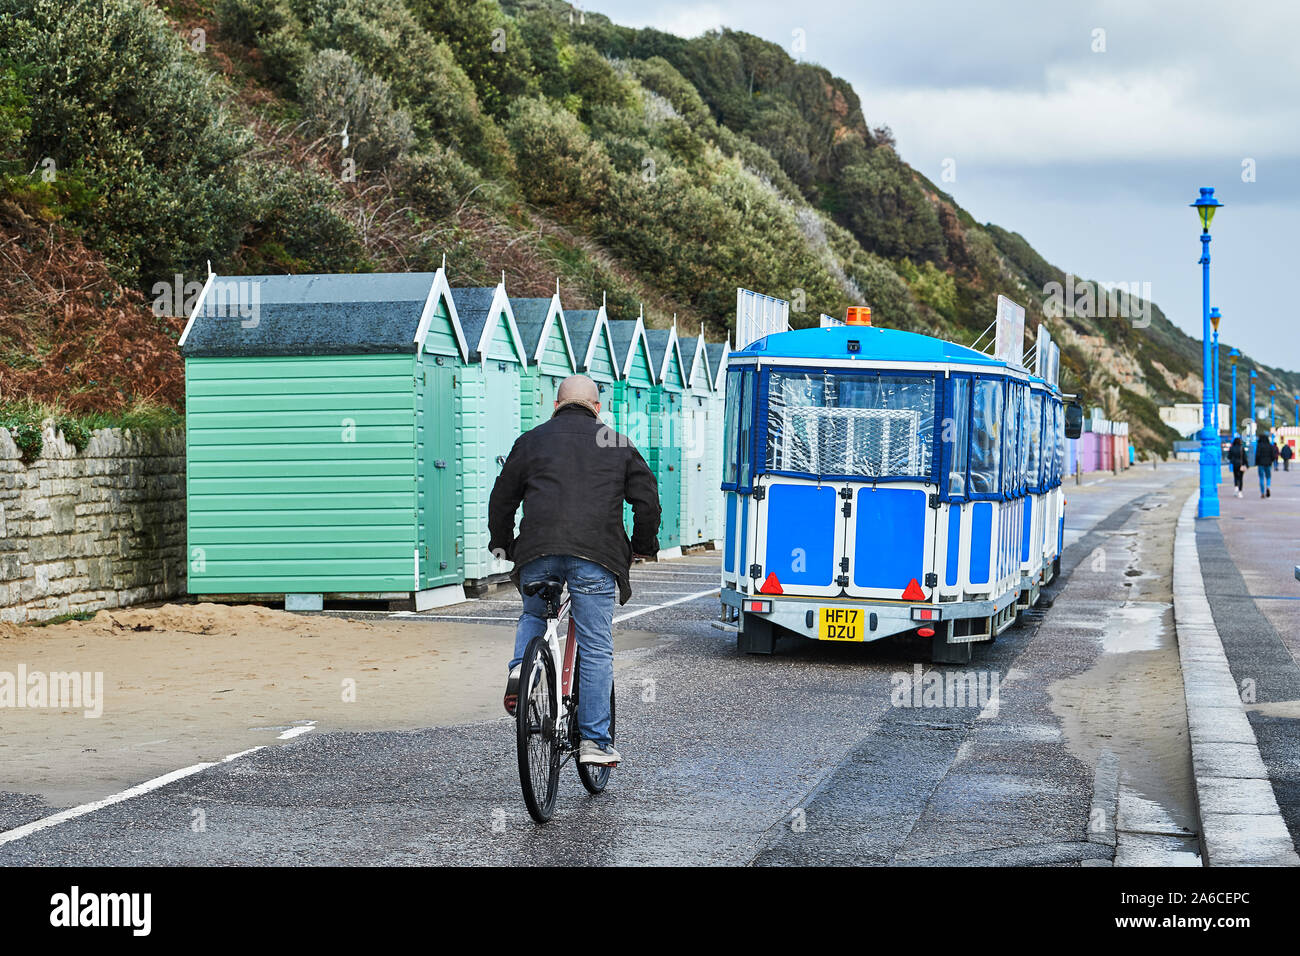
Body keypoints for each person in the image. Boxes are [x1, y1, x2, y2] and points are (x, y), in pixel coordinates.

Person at [488, 374, 661, 767]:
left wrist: (504, 544)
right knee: (596, 646)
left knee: (534, 613)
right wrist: (643, 545)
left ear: (556, 404)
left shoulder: (531, 441)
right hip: (596, 555)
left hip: (538, 550)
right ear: (597, 408)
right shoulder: (616, 442)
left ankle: (522, 670)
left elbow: (502, 499)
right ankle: (595, 742)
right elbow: (647, 501)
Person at [1255, 430, 1277, 498]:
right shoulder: (1270, 446)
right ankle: (1268, 486)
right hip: (1268, 464)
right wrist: (1271, 461)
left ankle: (1262, 493)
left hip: (1260, 464)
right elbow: (1273, 455)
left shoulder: (1259, 446)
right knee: (1268, 477)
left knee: (1261, 478)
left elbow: (1257, 455)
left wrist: (1257, 462)